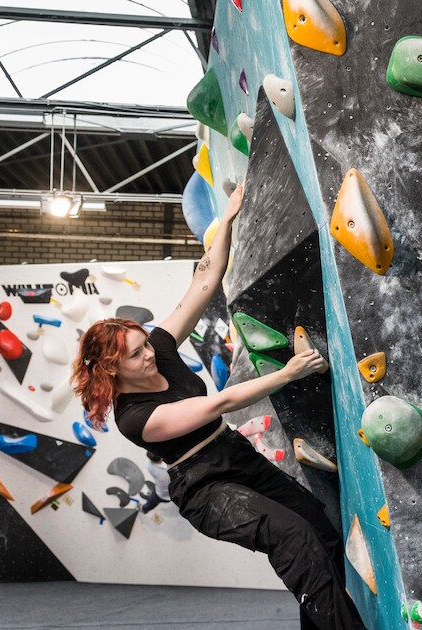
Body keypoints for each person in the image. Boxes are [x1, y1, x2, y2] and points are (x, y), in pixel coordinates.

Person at [70, 184, 361, 630]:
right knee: (293, 537)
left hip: (235, 458)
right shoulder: (134, 417)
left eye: (145, 343)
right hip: (205, 489)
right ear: (113, 367)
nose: (148, 353)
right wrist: (287, 374)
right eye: (134, 354)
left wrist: (224, 222)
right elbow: (217, 403)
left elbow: (204, 281)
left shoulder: (161, 346)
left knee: (317, 527)